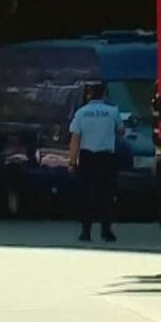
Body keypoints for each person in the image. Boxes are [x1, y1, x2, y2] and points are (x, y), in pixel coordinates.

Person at [68, 83, 124, 242]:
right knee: (106, 195)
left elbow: (75, 140)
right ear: (104, 94)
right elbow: (121, 131)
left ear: (88, 95)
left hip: (87, 158)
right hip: (106, 158)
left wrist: (72, 162)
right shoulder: (113, 112)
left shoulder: (81, 113)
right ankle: (106, 231)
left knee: (86, 195)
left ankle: (86, 232)